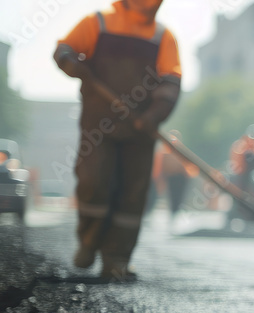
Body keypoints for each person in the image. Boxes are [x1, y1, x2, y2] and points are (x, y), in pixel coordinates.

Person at [54, 0, 181, 281]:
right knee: (94, 181)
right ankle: (89, 241)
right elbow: (64, 50)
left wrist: (154, 115)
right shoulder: (98, 23)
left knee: (132, 194)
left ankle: (117, 259)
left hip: (140, 131)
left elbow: (170, 81)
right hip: (99, 126)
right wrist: (73, 64)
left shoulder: (162, 37)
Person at [151, 130, 197, 219]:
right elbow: (160, 169)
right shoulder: (163, 154)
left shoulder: (182, 152)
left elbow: (189, 167)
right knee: (171, 198)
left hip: (180, 178)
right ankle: (172, 214)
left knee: (178, 199)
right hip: (170, 178)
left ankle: (176, 214)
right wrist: (160, 181)